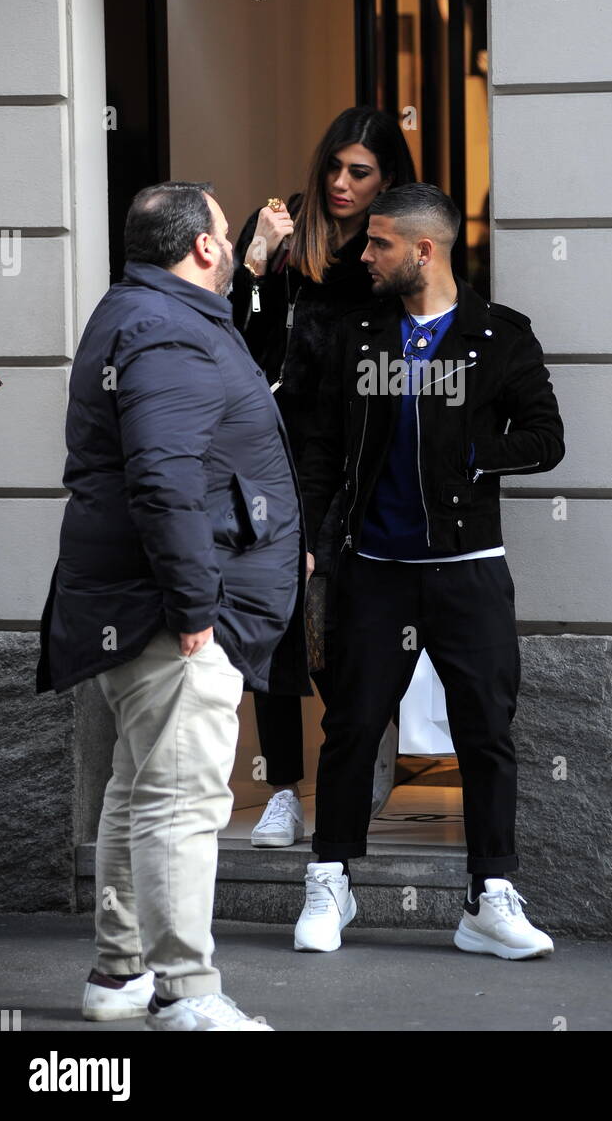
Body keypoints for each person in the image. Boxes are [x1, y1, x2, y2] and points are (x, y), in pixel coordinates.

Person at [37, 181, 310, 1031]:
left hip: (144, 602)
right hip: (175, 611)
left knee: (138, 789)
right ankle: (185, 992)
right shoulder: (166, 327)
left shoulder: (145, 314)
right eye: (226, 235)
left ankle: (118, 975)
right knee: (182, 801)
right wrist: (195, 606)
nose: (232, 247)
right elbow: (162, 477)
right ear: (200, 248)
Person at [293, 182, 566, 958]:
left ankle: (489, 896)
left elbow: (546, 437)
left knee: (485, 730)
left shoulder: (499, 335)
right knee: (349, 727)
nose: (364, 253)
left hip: (468, 567)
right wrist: (315, 536)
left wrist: (471, 454)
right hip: (374, 567)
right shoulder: (359, 336)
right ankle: (331, 878)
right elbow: (321, 447)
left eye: (378, 242)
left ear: (423, 250)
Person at [231, 107, 416, 849]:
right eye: (334, 167)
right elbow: (231, 339)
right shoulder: (283, 225)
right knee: (274, 613)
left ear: (388, 180)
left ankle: (358, 745)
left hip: (357, 454)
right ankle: (282, 788)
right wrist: (257, 260)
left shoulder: (391, 245)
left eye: (360, 172)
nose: (341, 184)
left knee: (340, 613)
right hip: (272, 447)